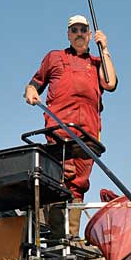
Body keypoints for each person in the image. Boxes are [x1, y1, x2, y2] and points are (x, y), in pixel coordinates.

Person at [24, 14, 118, 201]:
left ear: (90, 35)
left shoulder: (97, 62)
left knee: (79, 183)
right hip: (59, 129)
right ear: (68, 34)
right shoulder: (55, 57)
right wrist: (30, 90)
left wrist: (105, 49)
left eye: (83, 30)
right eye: (74, 30)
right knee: (60, 175)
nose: (79, 34)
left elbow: (110, 84)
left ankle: (71, 229)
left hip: (88, 133)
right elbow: (36, 82)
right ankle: (51, 224)